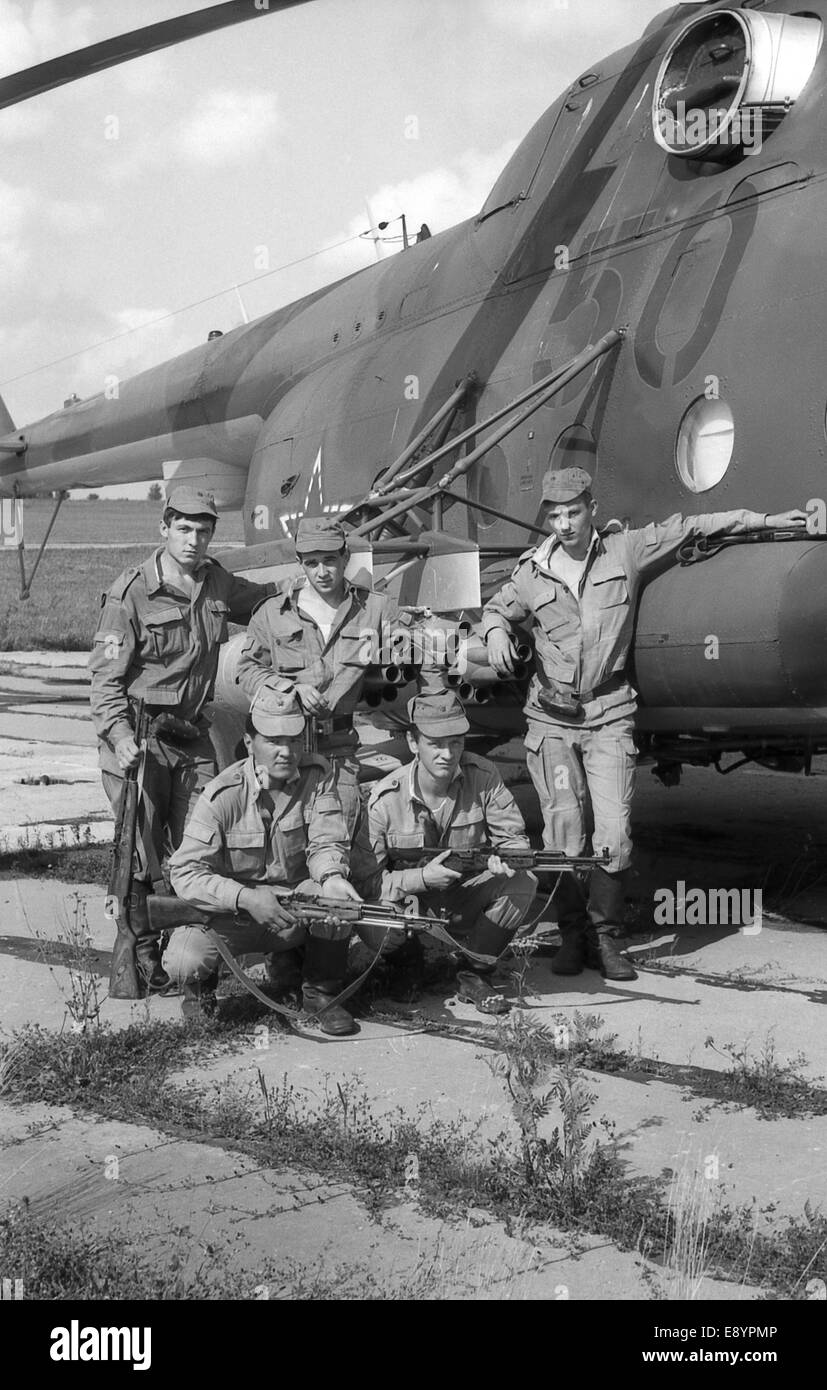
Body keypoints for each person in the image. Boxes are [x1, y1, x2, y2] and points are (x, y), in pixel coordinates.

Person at [482, 466, 808, 981]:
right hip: (551, 720)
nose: (564, 524)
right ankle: (573, 938)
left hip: (608, 713)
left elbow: (698, 526)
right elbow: (496, 610)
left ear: (591, 507)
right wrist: (498, 630)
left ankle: (607, 939)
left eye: (573, 512)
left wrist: (766, 520)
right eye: (555, 515)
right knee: (562, 834)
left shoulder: (625, 551)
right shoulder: (531, 572)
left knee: (613, 833)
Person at [88, 485, 274, 992]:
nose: (194, 539)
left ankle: (191, 952)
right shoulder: (130, 593)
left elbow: (265, 601)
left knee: (201, 840)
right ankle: (142, 952)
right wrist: (121, 735)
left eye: (204, 530)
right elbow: (105, 680)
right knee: (143, 850)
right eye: (185, 528)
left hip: (190, 734)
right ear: (164, 528)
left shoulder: (216, 583)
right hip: (140, 738)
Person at [166, 689, 362, 1034]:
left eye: (293, 739)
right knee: (184, 959)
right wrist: (244, 898)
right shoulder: (221, 795)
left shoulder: (318, 780)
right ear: (249, 741)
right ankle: (199, 992)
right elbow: (186, 871)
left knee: (336, 903)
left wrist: (332, 876)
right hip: (234, 915)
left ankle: (320, 994)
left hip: (291, 910)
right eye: (272, 740)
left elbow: (325, 842)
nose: (285, 751)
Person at [363, 692, 538, 1014]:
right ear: (413, 742)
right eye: (435, 744)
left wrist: (507, 858)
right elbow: (368, 883)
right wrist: (422, 879)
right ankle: (406, 962)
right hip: (408, 904)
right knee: (379, 919)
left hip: (460, 897)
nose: (447, 754)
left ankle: (473, 973)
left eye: (456, 743)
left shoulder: (483, 777)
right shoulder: (385, 798)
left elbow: (513, 839)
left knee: (523, 882)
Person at [235, 516, 393, 837]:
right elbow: (247, 670)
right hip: (284, 750)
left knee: (340, 835)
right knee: (284, 841)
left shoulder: (375, 609)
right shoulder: (272, 612)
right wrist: (291, 689)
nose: (322, 572)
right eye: (312, 563)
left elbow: (419, 646)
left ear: (346, 556)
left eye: (330, 561)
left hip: (340, 751)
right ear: (299, 563)